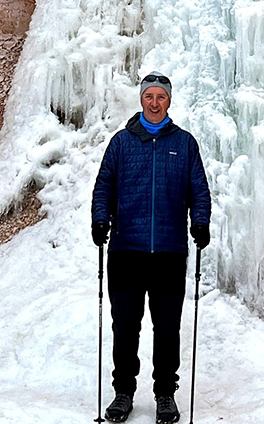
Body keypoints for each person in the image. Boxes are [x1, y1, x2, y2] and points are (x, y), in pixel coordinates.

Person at [91, 71, 211, 424]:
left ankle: (165, 395)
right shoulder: (121, 143)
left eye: (160, 97)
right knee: (125, 326)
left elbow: (199, 190)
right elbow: (104, 187)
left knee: (167, 327)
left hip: (170, 252)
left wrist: (200, 222)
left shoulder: (185, 144)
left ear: (168, 101)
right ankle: (123, 393)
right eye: (149, 97)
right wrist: (100, 220)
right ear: (141, 100)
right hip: (127, 250)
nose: (154, 103)